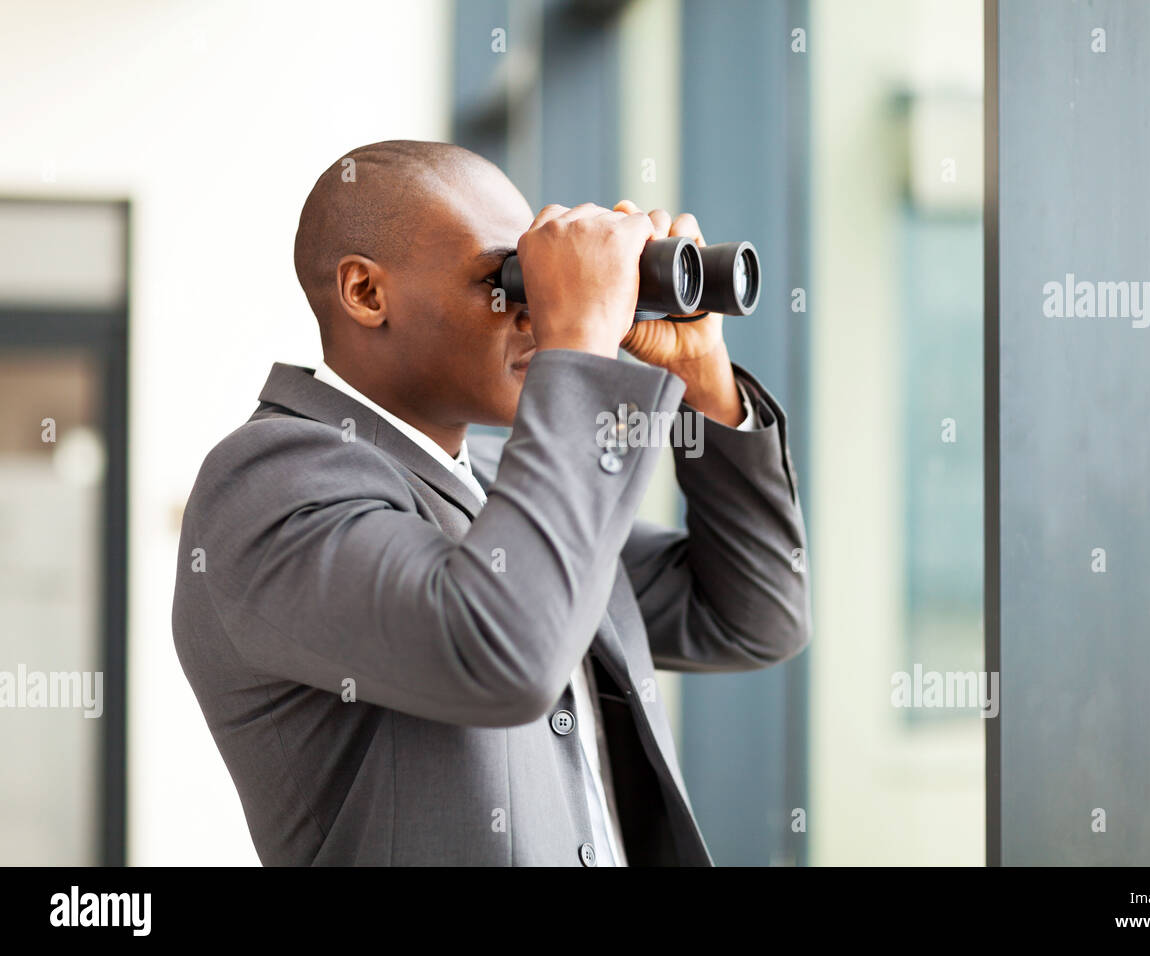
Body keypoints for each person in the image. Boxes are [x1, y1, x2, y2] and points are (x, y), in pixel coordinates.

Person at [171, 140, 810, 866]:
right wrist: (582, 347)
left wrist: (700, 374)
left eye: (543, 284)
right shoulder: (268, 481)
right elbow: (503, 653)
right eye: (508, 281)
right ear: (366, 293)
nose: (539, 317)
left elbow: (750, 617)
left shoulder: (503, 478)